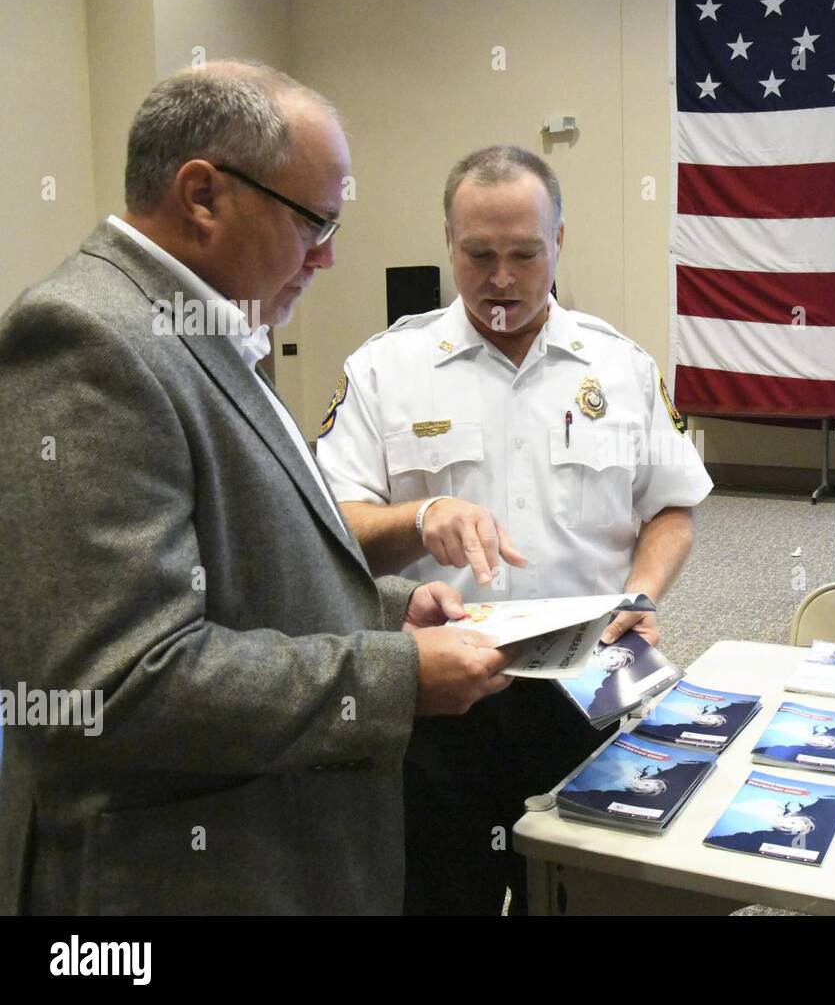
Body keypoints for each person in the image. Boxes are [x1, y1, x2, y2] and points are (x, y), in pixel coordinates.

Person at [0, 61, 514, 916]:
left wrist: (385, 612)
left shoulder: (207, 325)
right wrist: (394, 675)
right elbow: (114, 683)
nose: (329, 255)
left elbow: (244, 570)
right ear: (203, 195)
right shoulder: (86, 341)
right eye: (314, 221)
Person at [316, 145, 712, 914]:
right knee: (439, 890)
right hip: (437, 693)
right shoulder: (385, 370)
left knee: (579, 892)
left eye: (525, 255)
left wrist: (644, 590)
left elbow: (673, 509)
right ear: (448, 243)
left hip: (586, 688)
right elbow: (334, 525)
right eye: (479, 255)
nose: (501, 279)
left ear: (559, 242)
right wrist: (422, 516)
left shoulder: (620, 368)